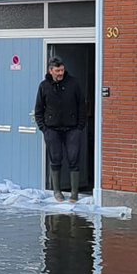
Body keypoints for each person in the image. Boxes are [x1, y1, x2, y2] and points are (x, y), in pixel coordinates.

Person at [34, 57, 89, 202]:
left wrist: (79, 126)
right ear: (50, 71)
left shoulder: (73, 83)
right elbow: (38, 109)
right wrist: (44, 128)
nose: (60, 73)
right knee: (55, 159)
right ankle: (57, 191)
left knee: (74, 159)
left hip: (72, 129)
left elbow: (81, 105)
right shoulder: (44, 86)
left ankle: (74, 192)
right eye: (57, 70)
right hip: (52, 130)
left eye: (62, 70)